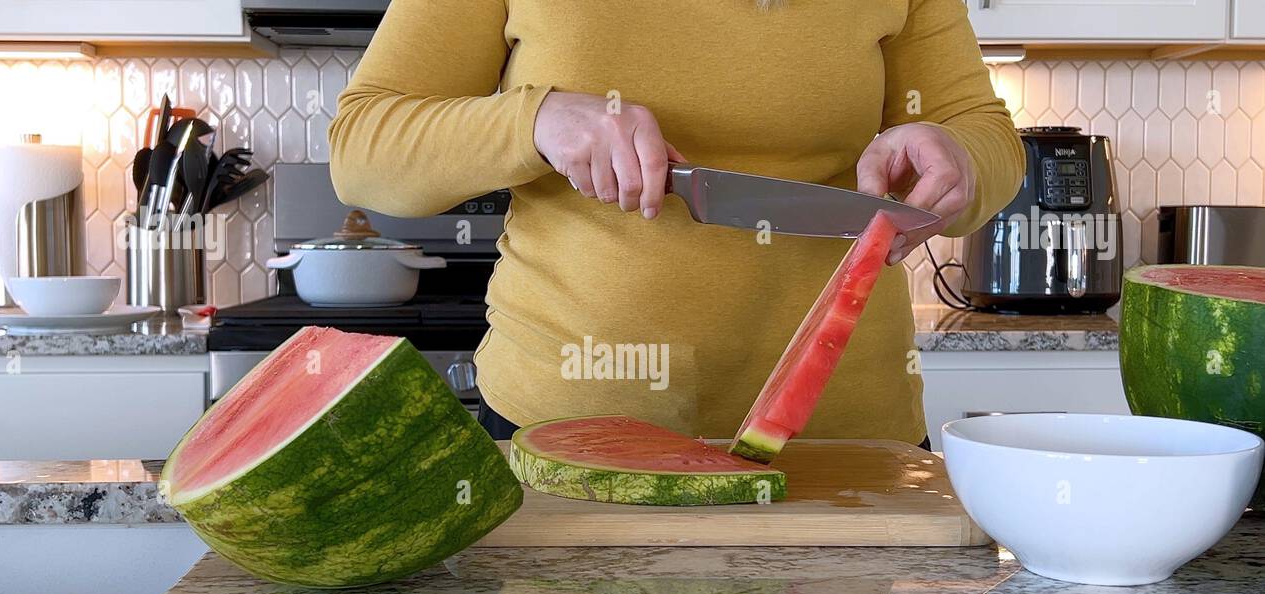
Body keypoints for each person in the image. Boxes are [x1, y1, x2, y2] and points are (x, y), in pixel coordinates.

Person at [328, 0, 1025, 446]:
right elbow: (363, 149)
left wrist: (958, 158)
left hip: (848, 442)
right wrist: (534, 120)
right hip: (569, 433)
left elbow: (984, 131)